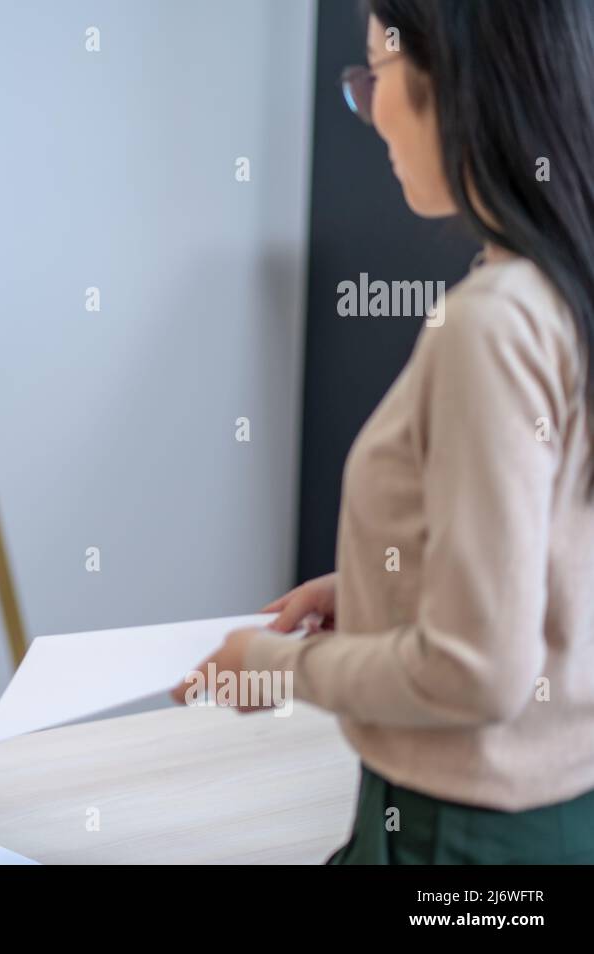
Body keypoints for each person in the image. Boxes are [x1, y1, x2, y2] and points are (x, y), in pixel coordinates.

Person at [175, 0, 594, 863]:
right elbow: (549, 567)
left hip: (462, 833)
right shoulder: (558, 294)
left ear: (453, 78)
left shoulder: (492, 323)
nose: (367, 112)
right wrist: (377, 589)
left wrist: (275, 666)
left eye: (374, 76)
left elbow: (479, 669)